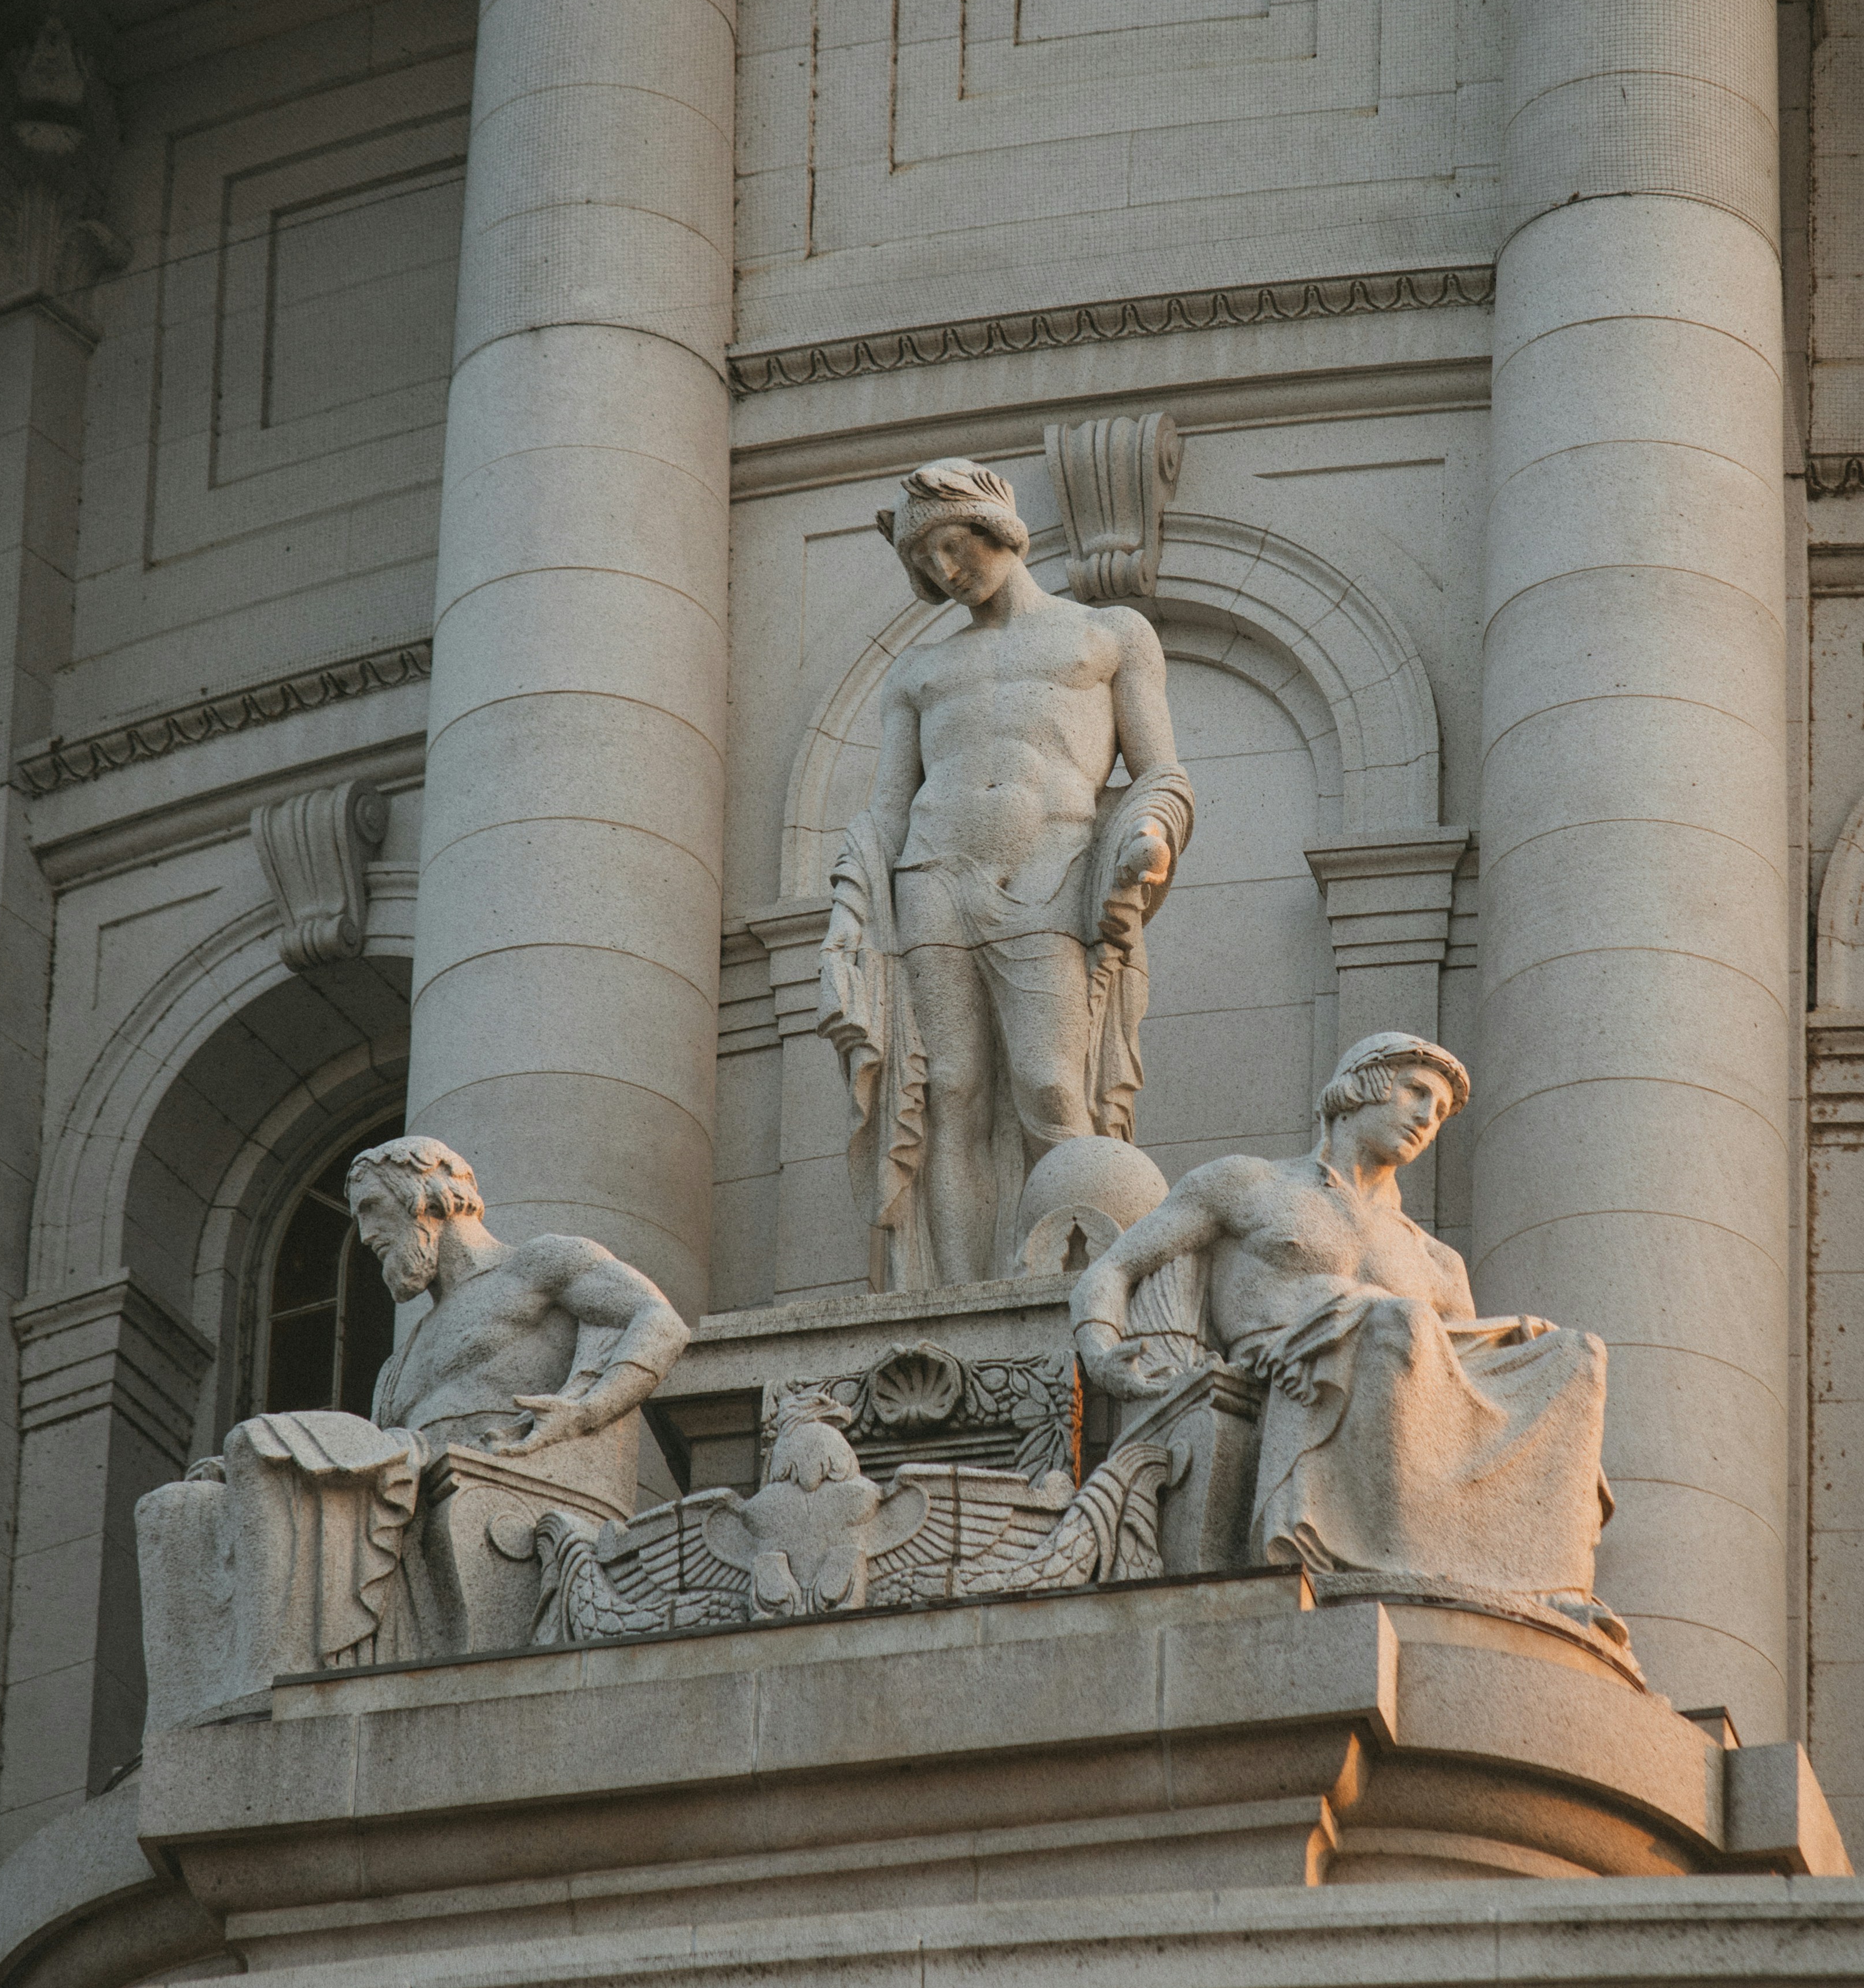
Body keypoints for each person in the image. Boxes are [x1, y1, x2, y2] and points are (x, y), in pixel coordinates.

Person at [1069, 1032, 1623, 1637]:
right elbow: (1115, 1268)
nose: (1426, 1118)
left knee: (1575, 1355)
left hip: (1393, 1379)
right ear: (1358, 1088)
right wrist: (1099, 1348)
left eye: (1439, 1112)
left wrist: (1508, 1344)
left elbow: (1451, 1383)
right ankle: (1389, 1560)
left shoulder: (1436, 1259)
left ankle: (1546, 1583)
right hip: (1289, 1375)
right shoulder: (1251, 1185)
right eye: (1415, 1093)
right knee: (1401, 1319)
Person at [137, 1135, 688, 1721]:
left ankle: (269, 1686)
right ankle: (197, 1723)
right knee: (178, 1508)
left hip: (497, 1478)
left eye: (371, 1209)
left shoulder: (538, 1264)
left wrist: (587, 1410)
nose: (365, 1235)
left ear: (426, 1196)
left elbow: (658, 1320)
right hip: (407, 1474)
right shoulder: (401, 1362)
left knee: (256, 1446)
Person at [818, 457, 1194, 1285]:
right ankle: (954, 1299)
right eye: (926, 561)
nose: (945, 570)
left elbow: (1159, 772)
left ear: (997, 530)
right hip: (931, 876)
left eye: (953, 545)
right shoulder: (918, 671)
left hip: (1049, 871)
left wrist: (1150, 834)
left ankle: (1079, 1278)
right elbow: (886, 809)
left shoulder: (1108, 635)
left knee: (1052, 1085)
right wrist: (850, 911)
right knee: (949, 1094)